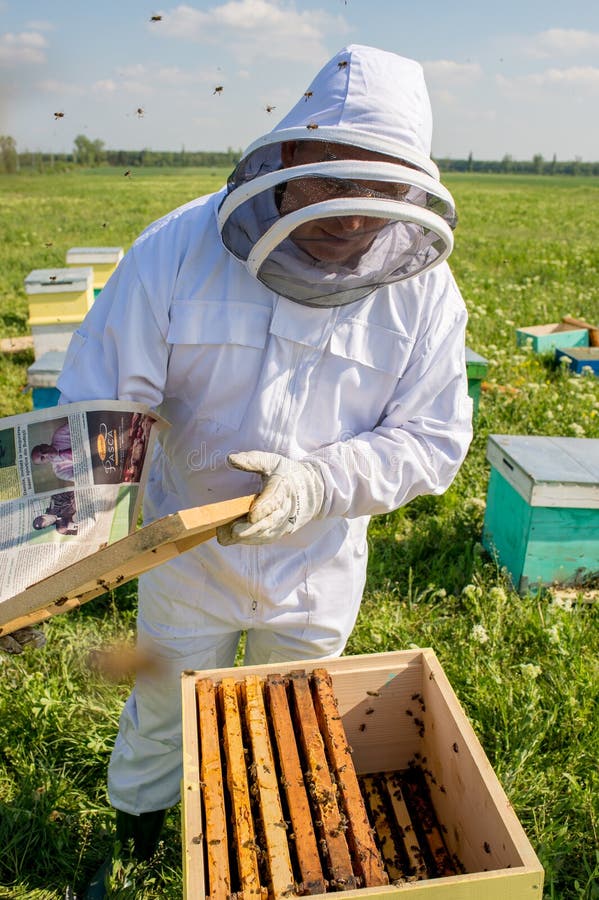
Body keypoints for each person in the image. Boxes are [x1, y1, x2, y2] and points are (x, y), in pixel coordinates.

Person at [53, 44, 472, 896]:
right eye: (331, 191)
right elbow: (100, 402)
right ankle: (135, 851)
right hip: (186, 555)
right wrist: (57, 538)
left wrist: (319, 483)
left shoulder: (424, 293)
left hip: (316, 564)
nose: (351, 225)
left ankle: (270, 865)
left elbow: (431, 438)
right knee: (165, 711)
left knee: (294, 725)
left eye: (378, 200)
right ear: (285, 157)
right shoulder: (177, 248)